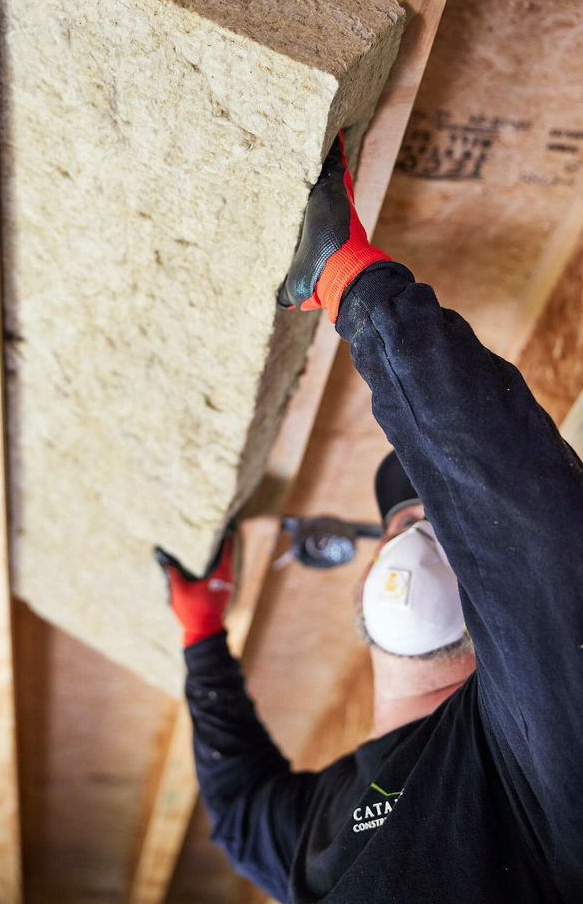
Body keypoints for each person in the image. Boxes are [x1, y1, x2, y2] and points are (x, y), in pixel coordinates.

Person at [155, 132, 583, 904]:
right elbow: (538, 529)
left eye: (428, 521)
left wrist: (202, 638)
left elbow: (239, 807)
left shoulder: (322, 828)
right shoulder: (549, 759)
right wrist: (355, 286)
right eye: (414, 518)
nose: (418, 537)